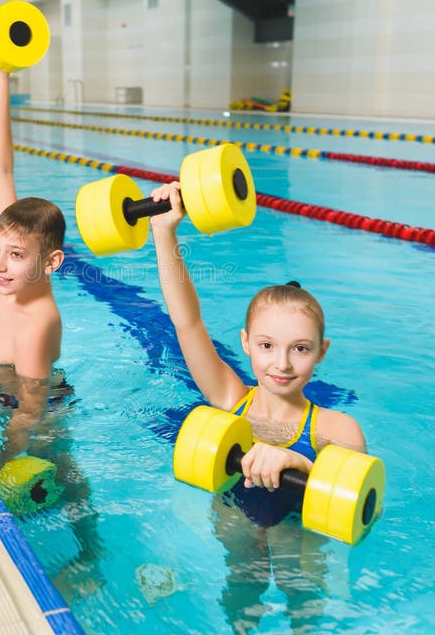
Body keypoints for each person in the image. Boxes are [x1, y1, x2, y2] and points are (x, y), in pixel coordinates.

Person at [149, 180, 366, 493]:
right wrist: (163, 231)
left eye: (300, 349)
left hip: (296, 534)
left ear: (322, 351)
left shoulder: (338, 430)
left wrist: (300, 463)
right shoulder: (229, 398)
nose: (282, 364)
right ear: (245, 343)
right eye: (266, 345)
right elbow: (187, 322)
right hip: (232, 521)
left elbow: (358, 502)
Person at [0, 68, 66, 464]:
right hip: (0, 397)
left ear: (51, 262)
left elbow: (30, 412)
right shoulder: (15, 281)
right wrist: (2, 74)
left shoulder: (34, 321)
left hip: (33, 418)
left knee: (64, 483)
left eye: (15, 254)